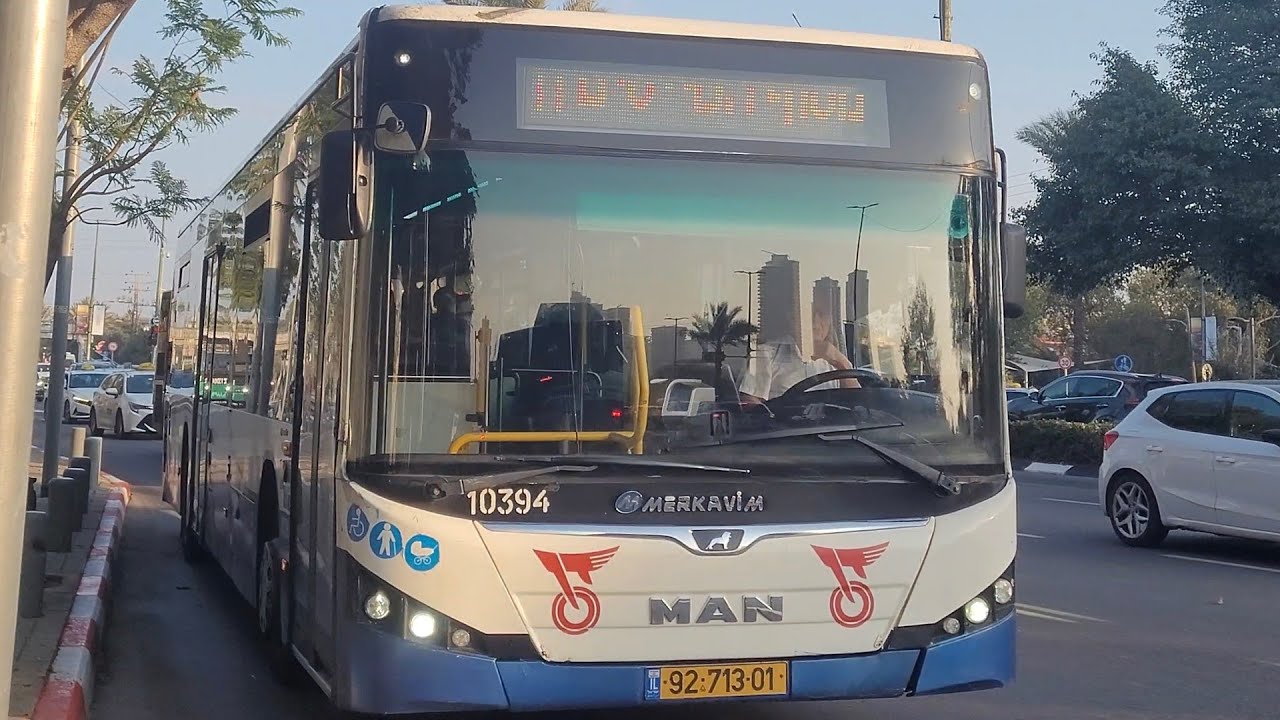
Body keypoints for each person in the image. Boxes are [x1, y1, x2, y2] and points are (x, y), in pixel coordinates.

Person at [739, 301, 860, 404]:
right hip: (789, 430)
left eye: (822, 315)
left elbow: (858, 406)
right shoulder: (765, 354)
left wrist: (840, 362)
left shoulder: (836, 362)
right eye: (811, 314)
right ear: (792, 318)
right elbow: (749, 403)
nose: (816, 324)